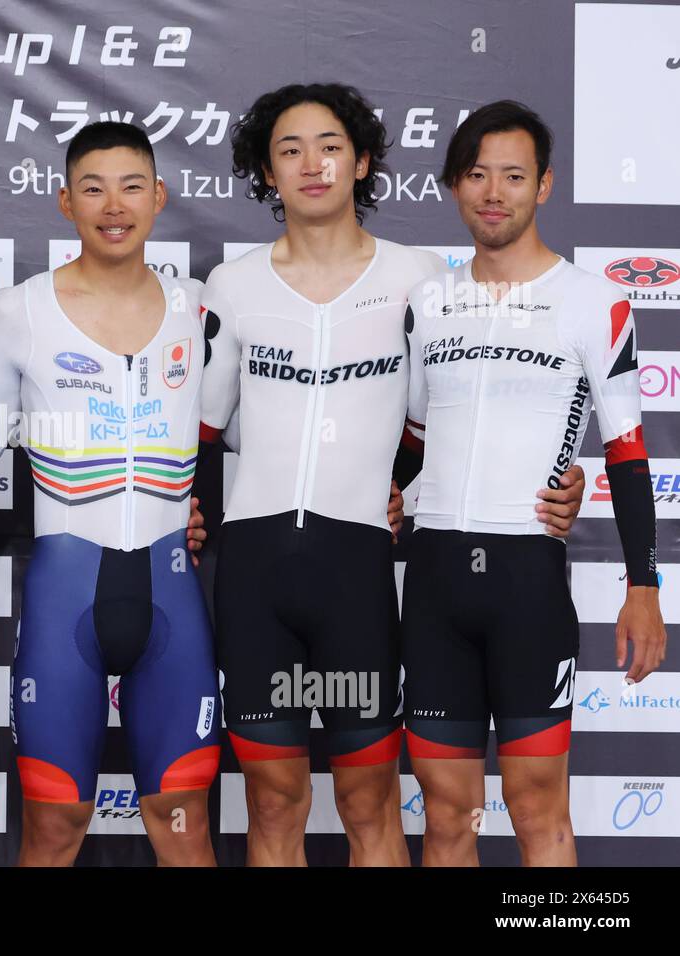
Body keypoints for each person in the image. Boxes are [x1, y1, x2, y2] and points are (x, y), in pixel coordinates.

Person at [198, 84, 587, 866]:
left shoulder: (423, 282)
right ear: (266, 172)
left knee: (368, 801)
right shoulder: (232, 284)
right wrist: (194, 516)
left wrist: (562, 474)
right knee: (273, 801)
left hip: (358, 579)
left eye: (331, 146)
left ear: (363, 160)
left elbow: (470, 407)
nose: (313, 164)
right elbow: (203, 434)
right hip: (254, 580)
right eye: (290, 150)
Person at [401, 100, 666, 866]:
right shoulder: (427, 304)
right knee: (447, 816)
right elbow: (415, 440)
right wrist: (388, 490)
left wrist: (643, 585)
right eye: (477, 174)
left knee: (537, 809)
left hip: (527, 579)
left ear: (543, 186)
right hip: (436, 578)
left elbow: (626, 450)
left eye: (513, 175)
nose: (494, 192)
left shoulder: (593, 300)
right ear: (454, 186)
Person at [0, 122, 219, 866]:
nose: (114, 205)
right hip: (64, 594)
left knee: (183, 823)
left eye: (132, 186)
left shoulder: (200, 308)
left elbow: (254, 423)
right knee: (54, 826)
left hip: (170, 590)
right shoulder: (14, 312)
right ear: (64, 202)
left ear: (160, 197)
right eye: (93, 187)